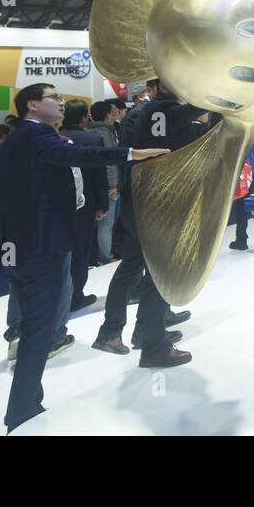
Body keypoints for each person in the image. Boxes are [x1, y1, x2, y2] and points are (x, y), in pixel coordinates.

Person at [0, 83, 168, 433]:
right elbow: (81, 157)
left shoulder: (15, 141)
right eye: (53, 98)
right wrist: (132, 154)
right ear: (32, 105)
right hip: (39, 249)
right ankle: (21, 412)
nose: (60, 103)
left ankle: (29, 401)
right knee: (39, 331)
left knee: (35, 327)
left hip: (21, 246)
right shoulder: (35, 137)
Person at [93, 81, 202, 365]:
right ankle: (153, 344)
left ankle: (113, 331)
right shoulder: (169, 111)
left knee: (131, 265)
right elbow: (207, 106)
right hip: (159, 203)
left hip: (136, 199)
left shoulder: (137, 114)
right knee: (159, 271)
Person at [58, 99, 103, 310]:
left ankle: (60, 297)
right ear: (85, 117)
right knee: (81, 251)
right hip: (85, 204)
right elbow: (98, 174)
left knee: (61, 252)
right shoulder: (92, 140)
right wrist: (102, 204)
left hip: (57, 206)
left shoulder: (54, 138)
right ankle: (75, 297)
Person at [87, 101, 122, 266]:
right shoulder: (105, 132)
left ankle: (98, 256)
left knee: (99, 223)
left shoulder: (89, 130)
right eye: (112, 111)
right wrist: (114, 184)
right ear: (108, 114)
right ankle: (105, 258)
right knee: (106, 224)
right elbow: (110, 160)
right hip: (108, 185)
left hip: (93, 183)